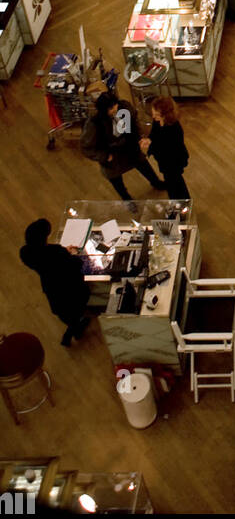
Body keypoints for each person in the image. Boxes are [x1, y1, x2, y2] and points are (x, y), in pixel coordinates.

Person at [81, 92, 166, 200]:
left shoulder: (124, 108)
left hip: (129, 146)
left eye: (114, 105)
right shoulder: (94, 123)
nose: (114, 109)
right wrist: (105, 156)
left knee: (143, 164)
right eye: (110, 108)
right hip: (111, 154)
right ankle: (127, 199)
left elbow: (134, 121)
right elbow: (86, 147)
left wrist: (138, 137)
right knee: (116, 180)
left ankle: (156, 183)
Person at [19, 219, 90, 347]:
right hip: (69, 289)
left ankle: (73, 332)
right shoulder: (55, 252)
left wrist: (64, 252)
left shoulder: (25, 253)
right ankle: (72, 334)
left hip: (53, 290)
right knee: (75, 313)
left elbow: (47, 257)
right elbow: (75, 265)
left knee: (67, 315)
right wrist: (72, 254)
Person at [141, 96, 190, 199]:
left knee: (176, 184)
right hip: (164, 161)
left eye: (157, 114)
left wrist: (151, 145)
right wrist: (149, 139)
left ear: (166, 115)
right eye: (153, 113)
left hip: (173, 161)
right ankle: (178, 201)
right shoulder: (158, 120)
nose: (153, 116)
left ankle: (183, 202)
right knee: (172, 182)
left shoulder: (175, 129)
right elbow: (154, 133)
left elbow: (168, 149)